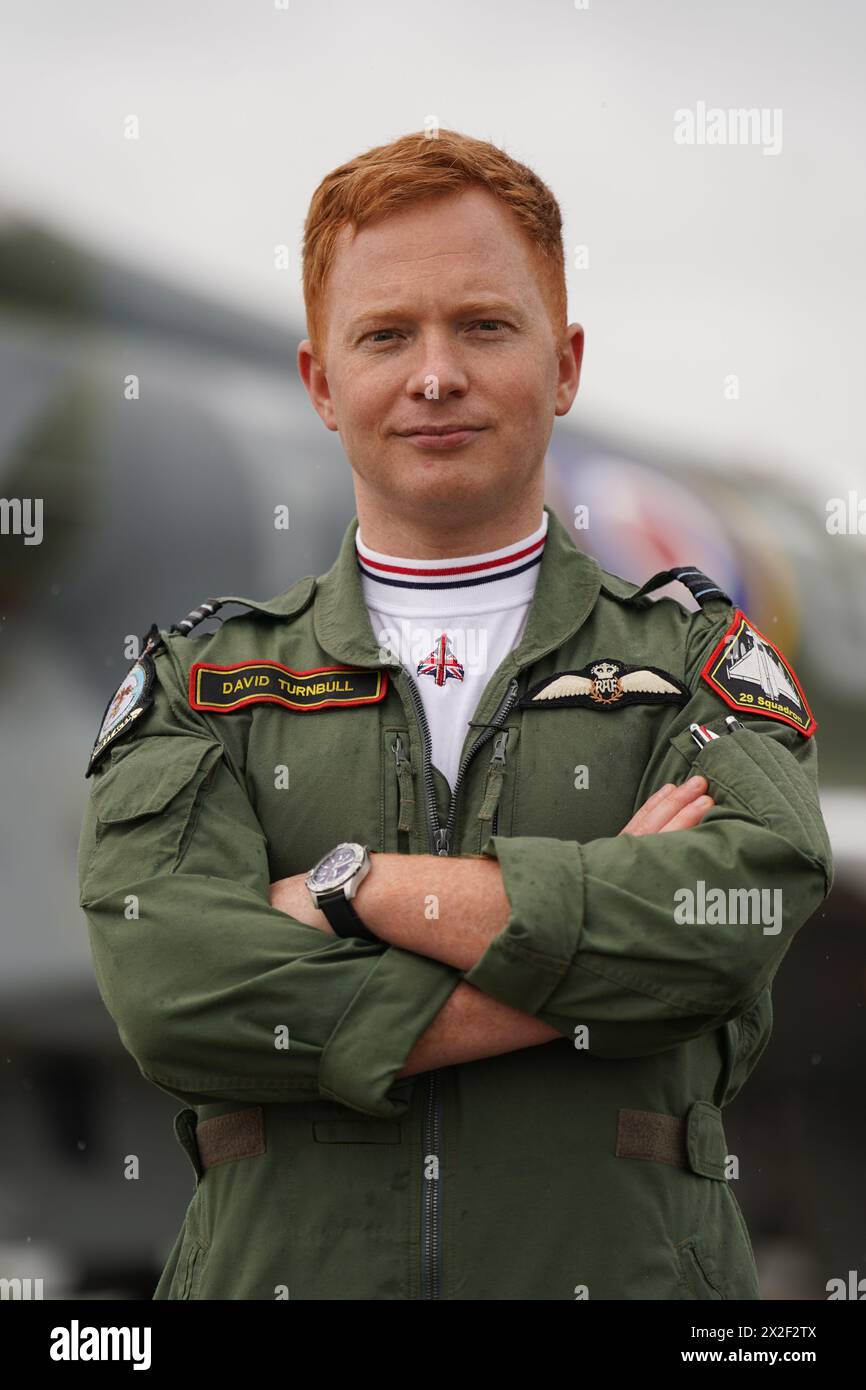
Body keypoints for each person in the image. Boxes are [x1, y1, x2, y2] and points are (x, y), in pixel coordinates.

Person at [77, 129, 832, 1301]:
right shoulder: (201, 683)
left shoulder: (694, 660)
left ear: (564, 362)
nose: (435, 374)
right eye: (385, 335)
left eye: (482, 325)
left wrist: (354, 886)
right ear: (321, 382)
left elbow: (724, 920)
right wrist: (577, 974)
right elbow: (179, 998)